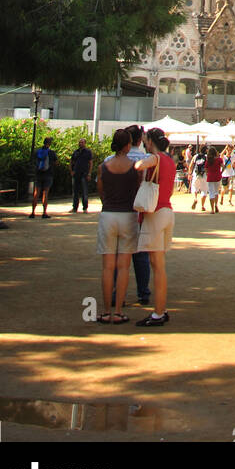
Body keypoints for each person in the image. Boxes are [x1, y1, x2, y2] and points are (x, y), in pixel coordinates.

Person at [133, 127, 177, 327]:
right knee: (160, 266)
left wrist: (143, 157)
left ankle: (159, 313)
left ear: (150, 141)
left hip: (155, 212)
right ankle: (161, 309)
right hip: (167, 211)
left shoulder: (157, 158)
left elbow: (140, 165)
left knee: (157, 266)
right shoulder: (170, 160)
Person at [96, 128, 140, 325]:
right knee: (123, 267)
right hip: (128, 215)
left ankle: (106, 311)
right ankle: (120, 311)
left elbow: (101, 192)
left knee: (107, 267)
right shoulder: (135, 167)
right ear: (128, 145)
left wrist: (109, 202)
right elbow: (138, 191)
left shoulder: (103, 167)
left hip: (108, 214)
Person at [31, 137, 57, 218]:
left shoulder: (37, 151)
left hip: (38, 174)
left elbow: (34, 161)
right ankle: (44, 213)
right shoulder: (51, 153)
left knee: (36, 193)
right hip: (48, 174)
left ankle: (33, 212)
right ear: (50, 144)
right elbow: (56, 163)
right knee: (45, 193)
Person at [70, 138, 93, 213]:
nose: (80, 144)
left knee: (84, 191)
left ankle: (85, 208)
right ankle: (75, 207)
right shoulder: (76, 152)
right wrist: (71, 171)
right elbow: (71, 161)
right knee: (75, 192)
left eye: (82, 142)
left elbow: (90, 163)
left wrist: (89, 173)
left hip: (84, 173)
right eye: (80, 142)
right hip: (76, 173)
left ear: (85, 143)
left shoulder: (88, 152)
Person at [205, 147, 223, 213]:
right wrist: (221, 172)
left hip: (210, 177)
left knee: (211, 193)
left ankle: (212, 209)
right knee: (216, 192)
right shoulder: (219, 160)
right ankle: (216, 205)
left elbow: (206, 169)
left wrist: (207, 173)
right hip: (217, 176)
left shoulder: (208, 160)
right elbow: (223, 166)